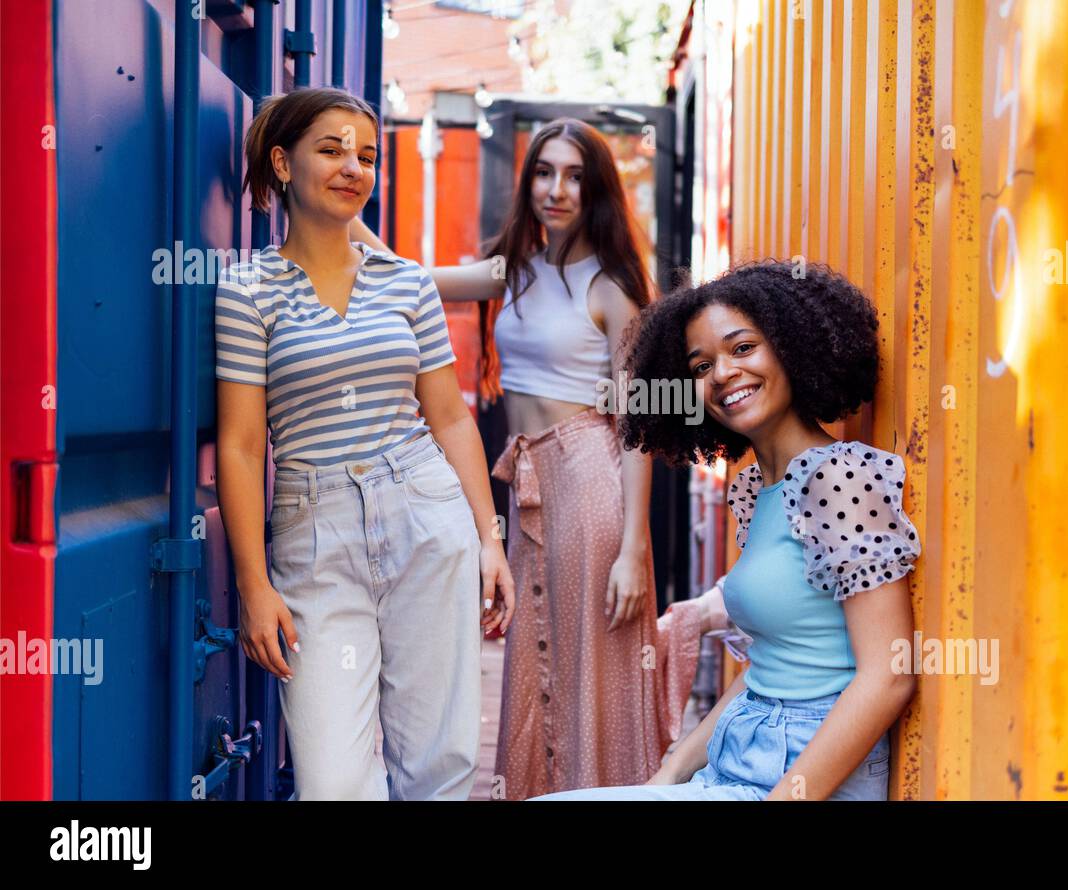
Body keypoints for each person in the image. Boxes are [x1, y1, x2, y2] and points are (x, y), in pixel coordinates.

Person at [350, 118, 723, 799]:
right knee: (537, 660)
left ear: (598, 190)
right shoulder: (511, 272)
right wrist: (340, 203)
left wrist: (634, 547)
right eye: (545, 172)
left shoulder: (610, 288)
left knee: (594, 669)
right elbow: (405, 276)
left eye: (576, 176)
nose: (557, 189)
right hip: (530, 490)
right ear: (528, 183)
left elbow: (636, 418)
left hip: (591, 488)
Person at [214, 87, 514, 801]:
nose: (353, 166)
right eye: (332, 149)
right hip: (314, 533)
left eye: (367, 155)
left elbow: (448, 418)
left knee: (439, 768)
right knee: (332, 784)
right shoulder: (246, 289)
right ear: (282, 164)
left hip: (423, 509)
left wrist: (488, 538)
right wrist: (254, 586)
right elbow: (242, 444)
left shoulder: (406, 282)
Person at [532, 259, 920, 800]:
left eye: (743, 348)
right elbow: (765, 672)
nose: (721, 375)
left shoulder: (838, 475)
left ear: (792, 345)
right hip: (738, 761)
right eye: (700, 366)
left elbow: (890, 675)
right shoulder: (759, 489)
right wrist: (668, 776)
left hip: (807, 778)